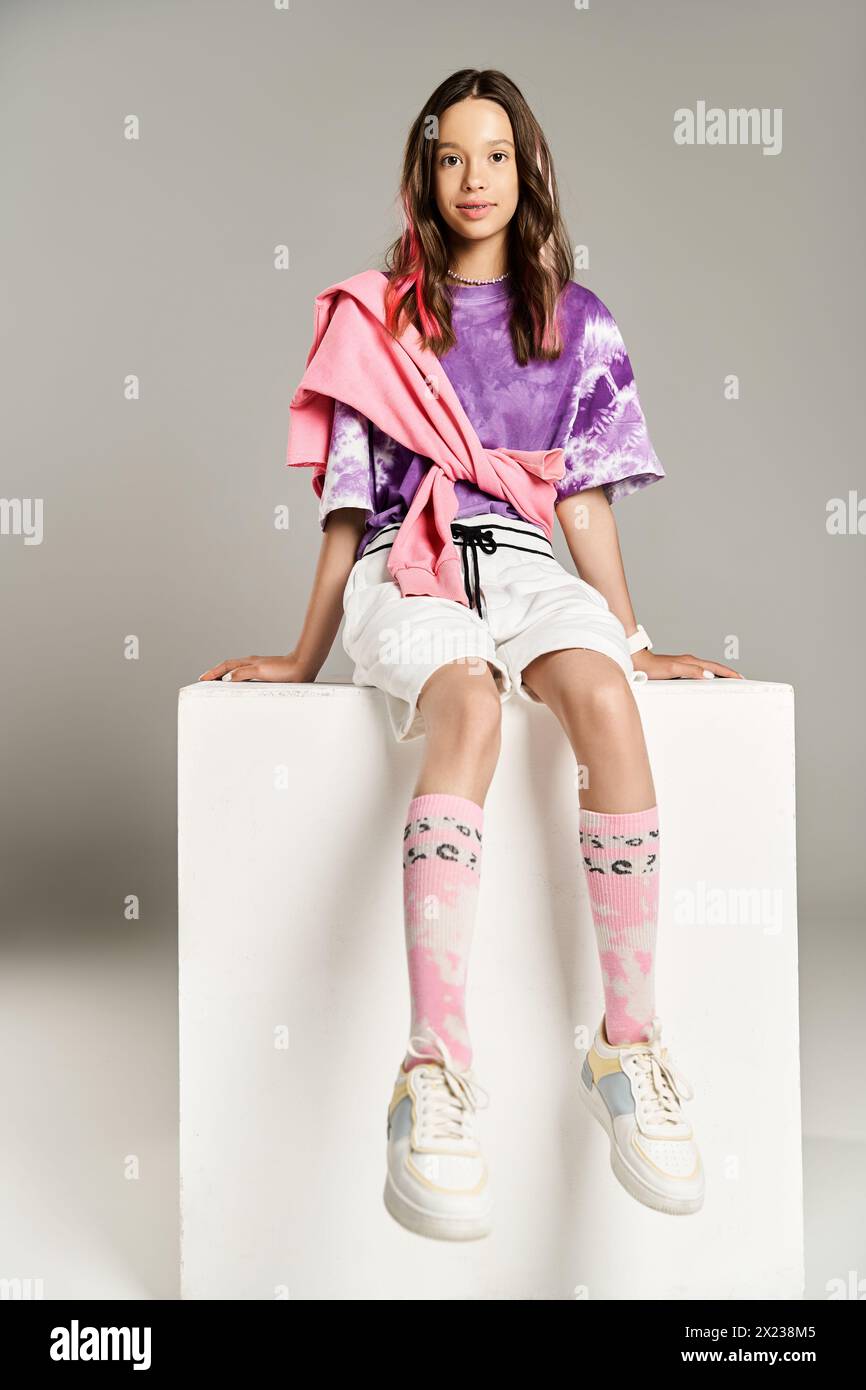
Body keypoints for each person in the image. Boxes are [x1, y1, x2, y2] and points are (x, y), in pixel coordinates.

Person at [200, 68, 743, 1242]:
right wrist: (302, 657)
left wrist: (633, 641)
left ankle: (627, 1045)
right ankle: (430, 1075)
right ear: (424, 171)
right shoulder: (379, 317)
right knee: (468, 704)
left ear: (526, 169)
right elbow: (349, 505)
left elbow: (584, 504)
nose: (475, 179)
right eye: (452, 157)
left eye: (495, 156)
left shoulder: (576, 318)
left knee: (600, 694)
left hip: (522, 561)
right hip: (408, 562)